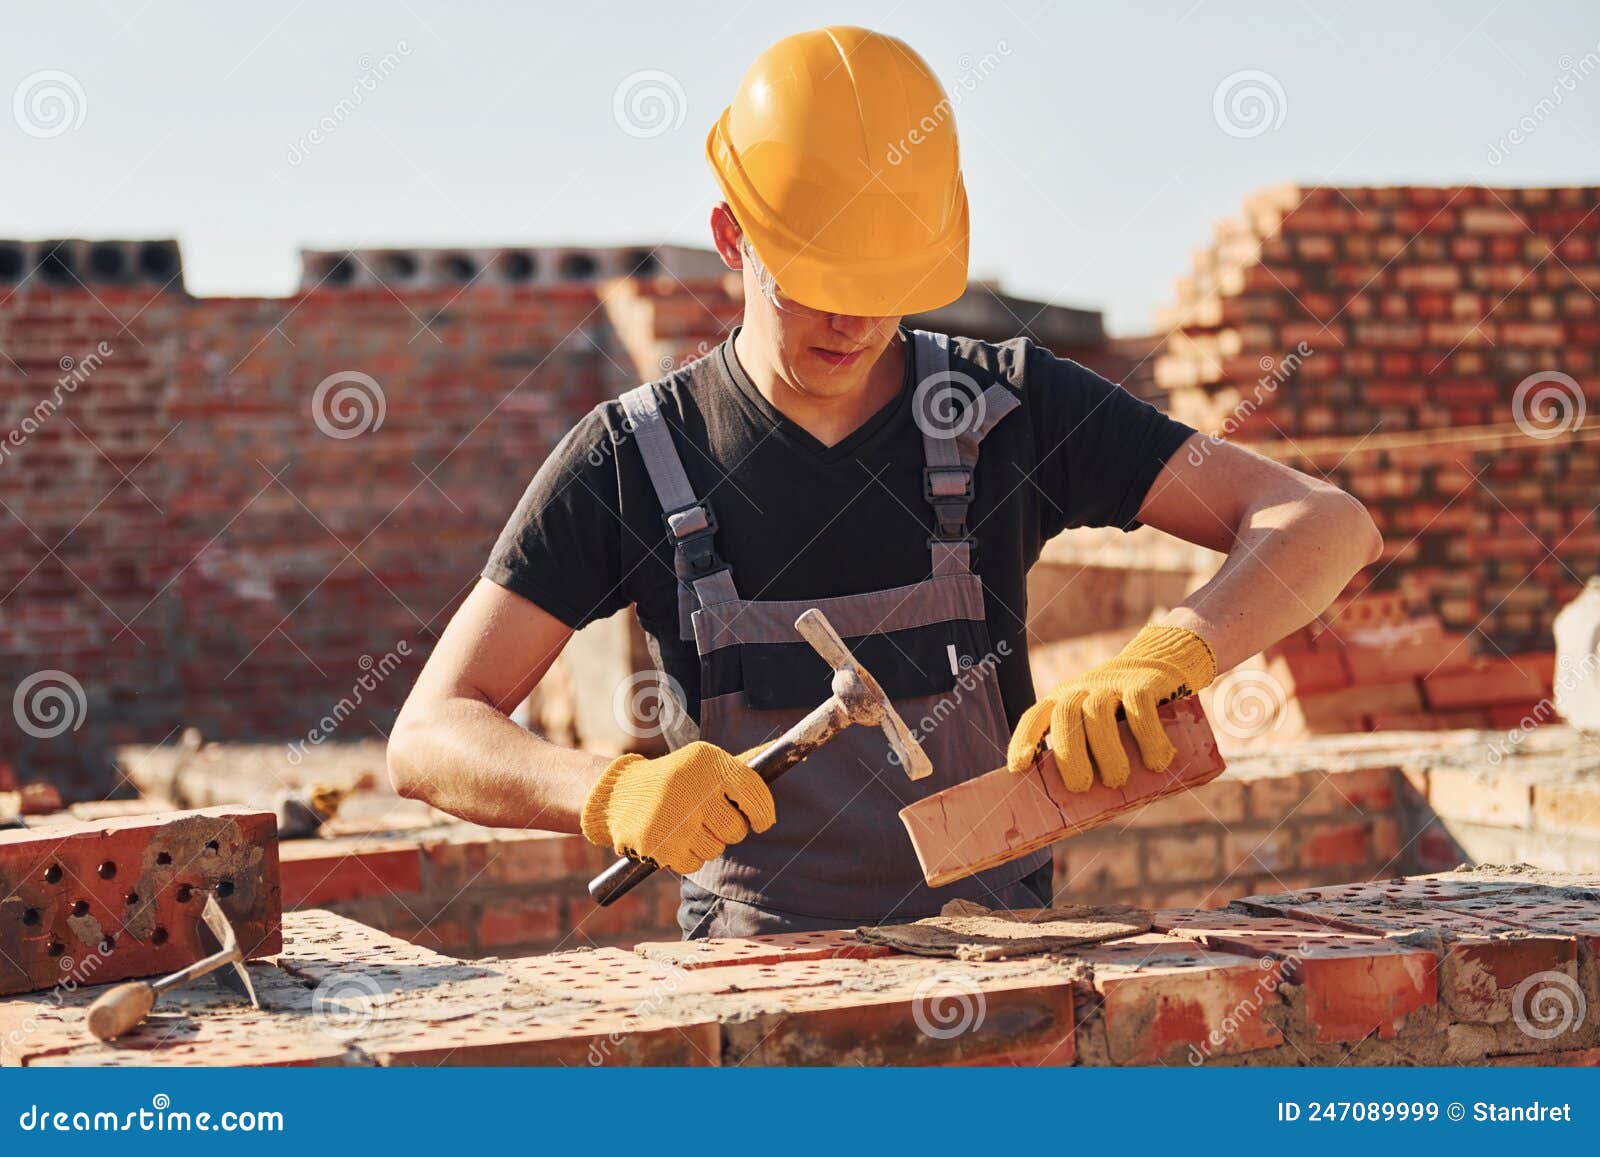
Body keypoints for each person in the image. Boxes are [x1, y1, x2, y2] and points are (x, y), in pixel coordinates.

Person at [388, 26, 1381, 939]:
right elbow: (430, 733)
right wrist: (606, 791)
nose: (855, 323)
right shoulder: (633, 459)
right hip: (760, 991)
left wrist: (1168, 657)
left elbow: (1323, 522)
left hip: (1007, 975)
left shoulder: (1007, 408)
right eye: (820, 281)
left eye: (885, 284)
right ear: (732, 237)